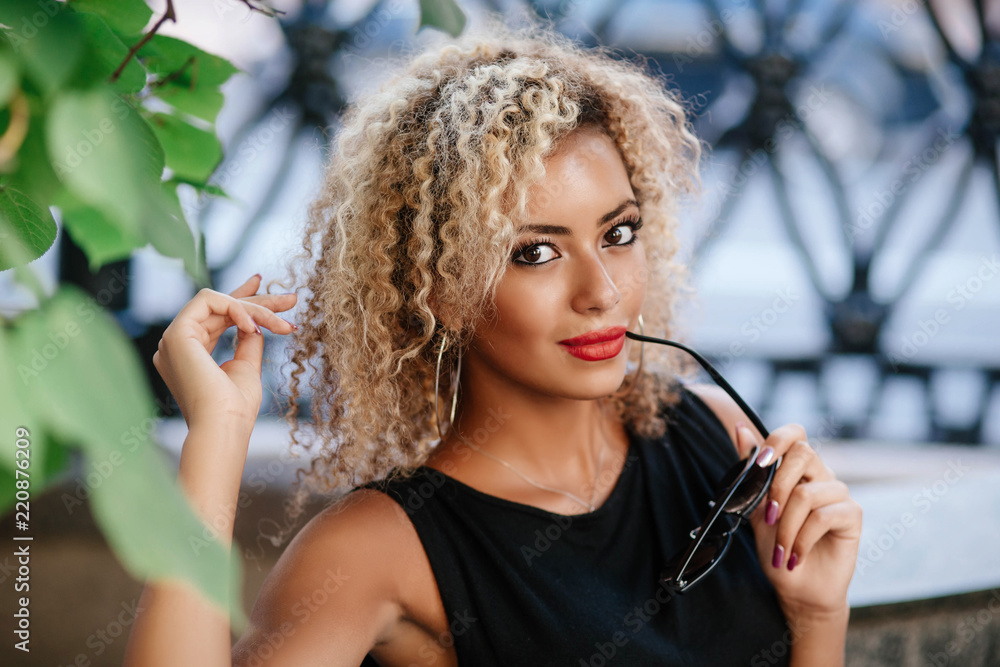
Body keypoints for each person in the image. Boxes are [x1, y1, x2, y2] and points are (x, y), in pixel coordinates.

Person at [124, 14, 862, 667]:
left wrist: (817, 615)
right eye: (535, 252)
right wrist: (215, 442)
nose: (601, 289)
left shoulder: (718, 438)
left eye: (620, 232)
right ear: (440, 287)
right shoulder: (380, 550)